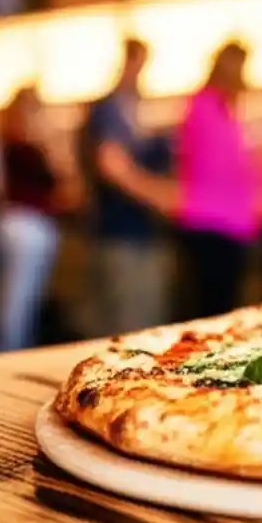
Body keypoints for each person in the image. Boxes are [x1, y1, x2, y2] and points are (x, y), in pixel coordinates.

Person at [79, 39, 172, 337]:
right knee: (126, 327)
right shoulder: (110, 110)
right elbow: (112, 166)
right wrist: (161, 196)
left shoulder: (133, 111)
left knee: (140, 322)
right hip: (120, 233)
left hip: (139, 232)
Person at [174, 42, 262, 317]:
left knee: (217, 308)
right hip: (214, 224)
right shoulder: (207, 108)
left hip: (223, 224)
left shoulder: (218, 110)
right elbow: (225, 168)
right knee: (214, 311)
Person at [0, 88, 67, 351]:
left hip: (14, 222)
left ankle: (11, 348)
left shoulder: (4, 142)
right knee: (21, 296)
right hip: (30, 224)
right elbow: (62, 188)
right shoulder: (29, 147)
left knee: (15, 294)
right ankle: (12, 351)